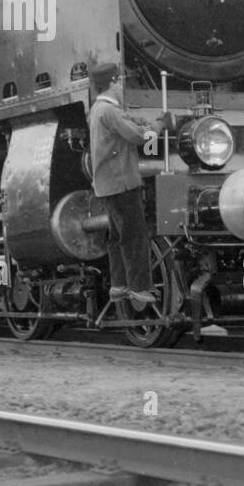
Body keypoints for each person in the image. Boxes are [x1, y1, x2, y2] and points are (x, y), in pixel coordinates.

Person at [88, 63, 168, 314]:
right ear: (112, 83)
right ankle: (139, 287)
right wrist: (159, 127)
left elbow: (126, 122)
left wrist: (142, 121)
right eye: (120, 82)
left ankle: (119, 284)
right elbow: (137, 137)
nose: (123, 87)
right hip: (122, 183)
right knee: (135, 235)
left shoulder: (97, 110)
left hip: (106, 185)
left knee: (116, 237)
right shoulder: (110, 112)